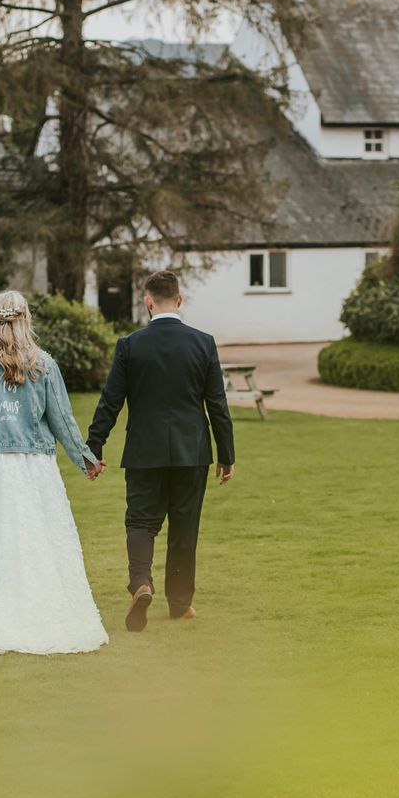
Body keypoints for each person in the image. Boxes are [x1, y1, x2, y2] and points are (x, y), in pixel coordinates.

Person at [0, 290, 108, 655]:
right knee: (39, 538)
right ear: (25, 319)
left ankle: (2, 614)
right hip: (34, 466)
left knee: (1, 541)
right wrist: (85, 459)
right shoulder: (43, 363)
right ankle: (40, 611)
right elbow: (62, 418)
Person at [86, 270, 235, 632]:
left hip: (143, 451)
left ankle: (140, 583)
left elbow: (111, 401)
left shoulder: (131, 345)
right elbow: (217, 404)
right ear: (179, 300)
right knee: (184, 527)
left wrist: (94, 446)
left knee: (140, 521)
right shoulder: (203, 343)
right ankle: (180, 605)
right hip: (192, 452)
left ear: (148, 302)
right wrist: (226, 454)